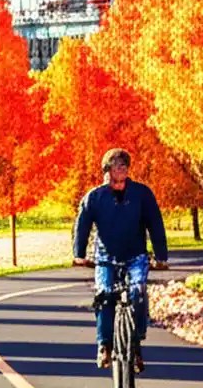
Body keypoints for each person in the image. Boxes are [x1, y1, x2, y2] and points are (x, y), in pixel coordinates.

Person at [72, 148, 170, 373]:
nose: (122, 169)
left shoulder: (141, 194)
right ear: (107, 170)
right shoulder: (95, 197)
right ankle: (104, 344)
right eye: (117, 165)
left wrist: (161, 256)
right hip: (106, 257)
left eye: (125, 165)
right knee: (105, 295)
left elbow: (155, 223)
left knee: (137, 292)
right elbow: (83, 225)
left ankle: (136, 344)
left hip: (136, 255)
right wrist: (79, 254)